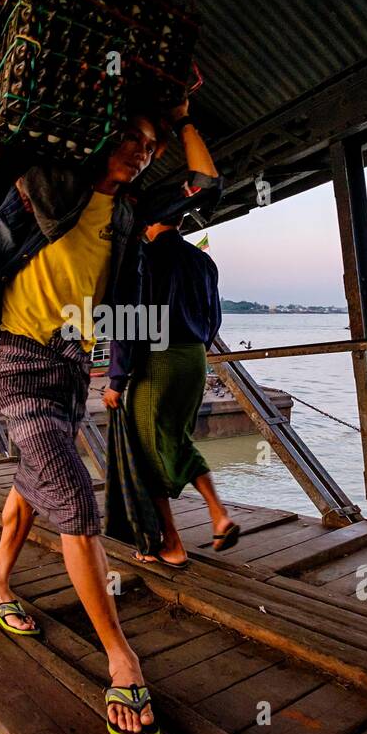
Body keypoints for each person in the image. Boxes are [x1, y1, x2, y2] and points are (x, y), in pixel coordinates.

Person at [0, 0, 222, 734]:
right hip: (19, 366)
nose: (142, 152)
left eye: (150, 148)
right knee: (76, 503)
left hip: (70, 375)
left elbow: (206, 184)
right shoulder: (43, 183)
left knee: (33, 490)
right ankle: (122, 661)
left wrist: (182, 121)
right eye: (133, 139)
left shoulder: (128, 219)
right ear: (100, 134)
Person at [106, 214, 240, 566]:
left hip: (159, 361)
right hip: (194, 358)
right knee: (177, 439)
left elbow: (126, 320)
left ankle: (172, 544)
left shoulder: (142, 258)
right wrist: (196, 347)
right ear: (179, 219)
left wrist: (117, 380)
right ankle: (218, 513)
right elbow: (214, 318)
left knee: (146, 449)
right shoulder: (203, 261)